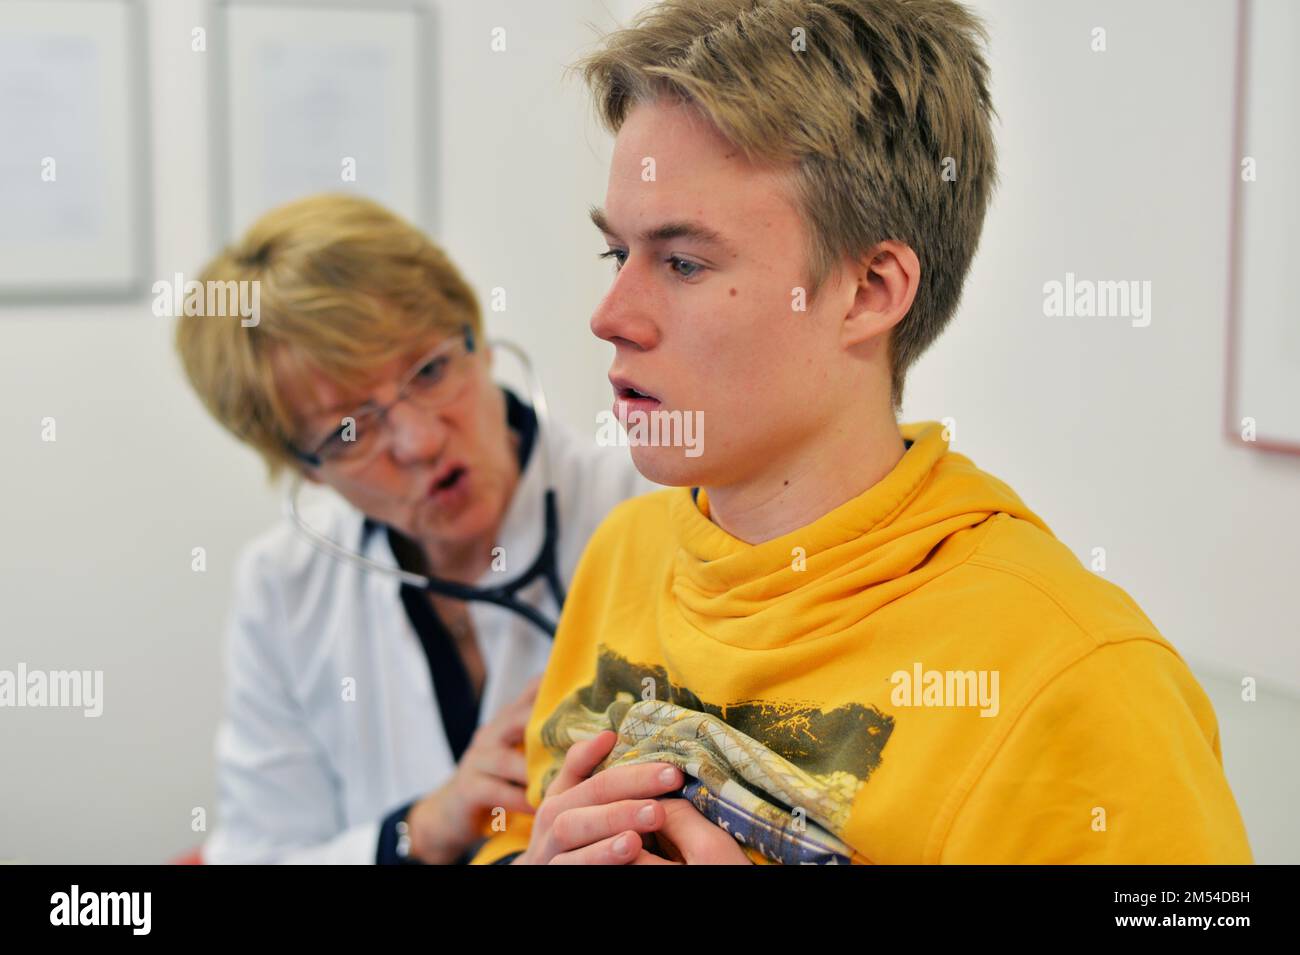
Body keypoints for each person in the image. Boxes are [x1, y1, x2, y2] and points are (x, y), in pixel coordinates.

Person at [470, 0, 1253, 864]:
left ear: (872, 289)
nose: (610, 316)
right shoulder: (627, 551)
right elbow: (518, 828)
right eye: (617, 255)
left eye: (684, 262)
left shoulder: (1082, 680)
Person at [174, 193, 648, 863]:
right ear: (304, 467)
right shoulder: (283, 587)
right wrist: (418, 829)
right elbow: (257, 852)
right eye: (351, 429)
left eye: (429, 371)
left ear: (478, 342)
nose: (421, 441)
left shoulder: (646, 506)